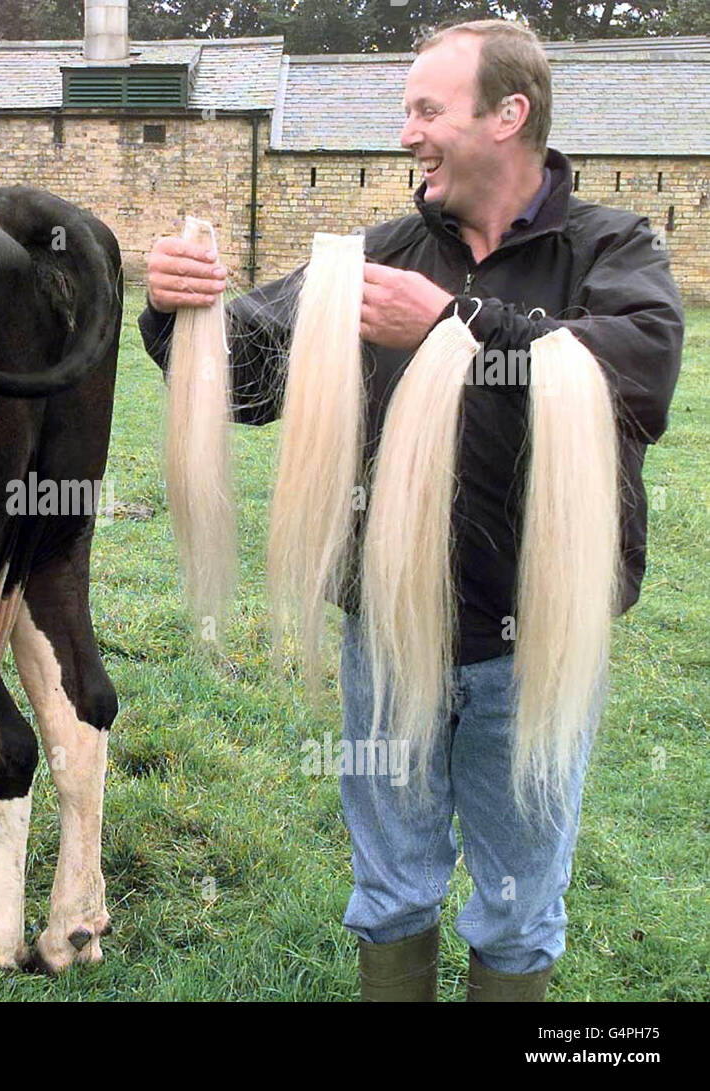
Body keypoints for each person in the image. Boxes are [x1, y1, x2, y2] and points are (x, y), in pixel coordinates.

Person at [139, 19, 683, 1001]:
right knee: (389, 890)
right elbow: (248, 375)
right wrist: (181, 312)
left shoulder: (610, 247)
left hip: (532, 643)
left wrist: (452, 323)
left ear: (506, 116)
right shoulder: (372, 258)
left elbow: (639, 376)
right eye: (405, 112)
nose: (405, 134)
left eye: (426, 110)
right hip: (385, 641)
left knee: (519, 905)